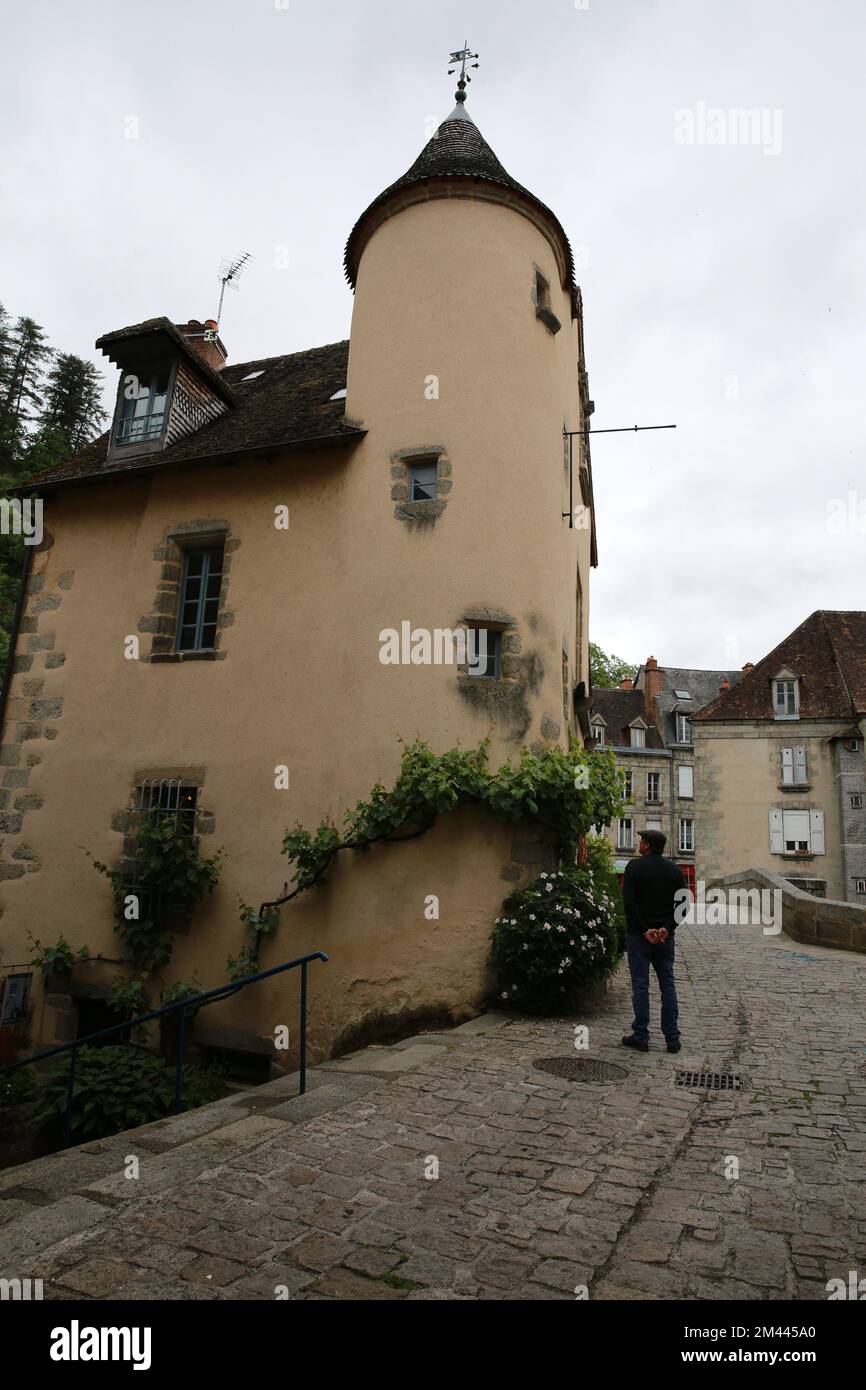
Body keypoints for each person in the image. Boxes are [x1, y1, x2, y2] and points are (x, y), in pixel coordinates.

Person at [621, 829, 684, 1053]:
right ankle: (672, 1038)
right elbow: (683, 907)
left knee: (640, 985)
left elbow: (629, 903)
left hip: (640, 936)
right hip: (665, 939)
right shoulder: (675, 870)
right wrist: (666, 929)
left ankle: (641, 1036)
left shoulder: (634, 868)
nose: (639, 844)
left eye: (641, 841)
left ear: (647, 845)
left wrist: (645, 929)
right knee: (667, 984)